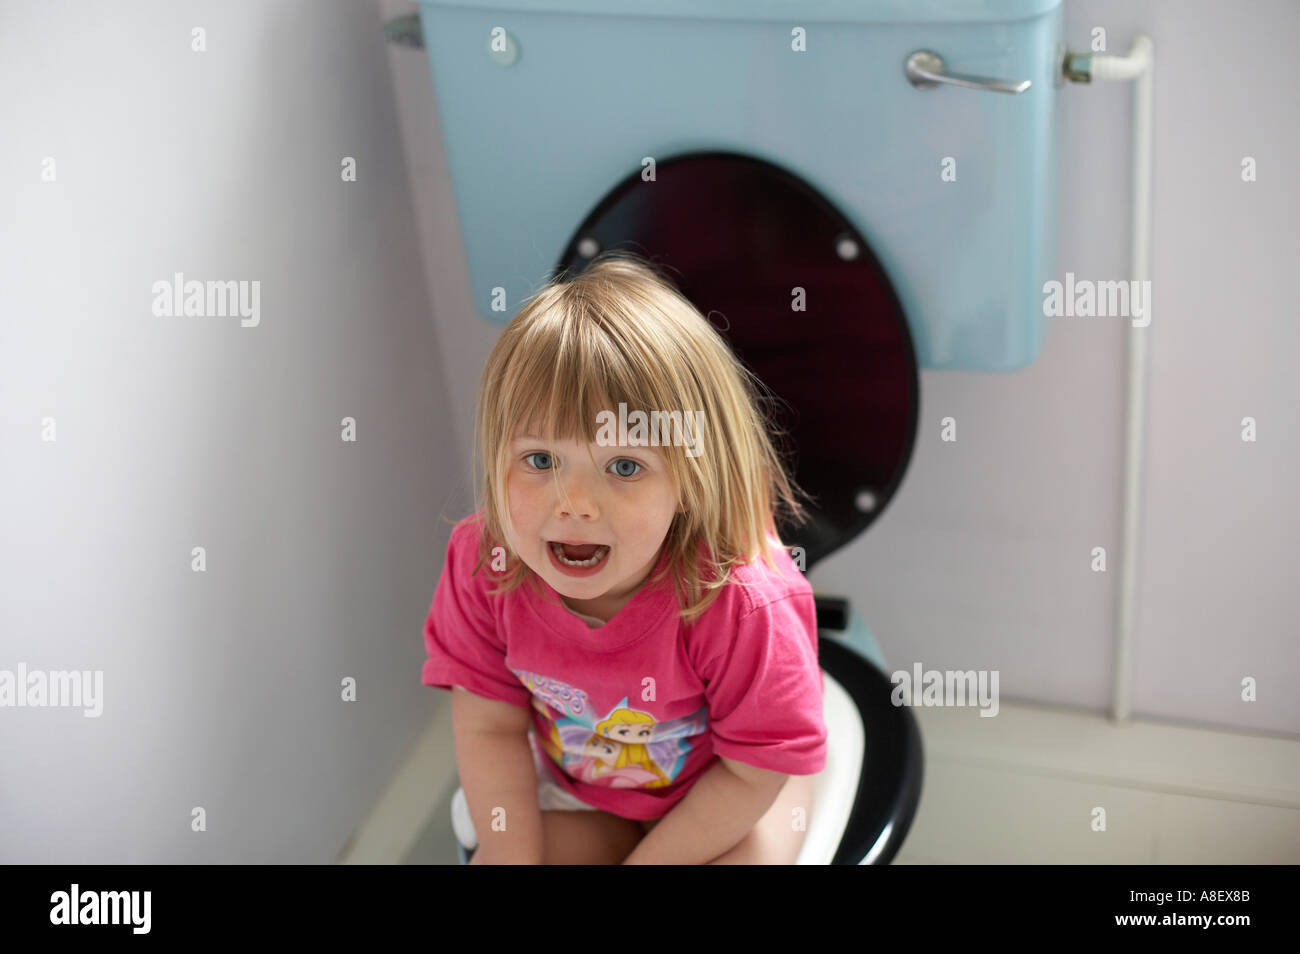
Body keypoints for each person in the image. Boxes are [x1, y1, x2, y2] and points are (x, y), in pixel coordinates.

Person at [422, 251, 827, 864]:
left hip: (733, 793)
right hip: (584, 793)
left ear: (690, 480)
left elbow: (754, 770)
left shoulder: (739, 602)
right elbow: (489, 727)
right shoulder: (488, 565)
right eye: (539, 460)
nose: (575, 504)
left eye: (625, 466)